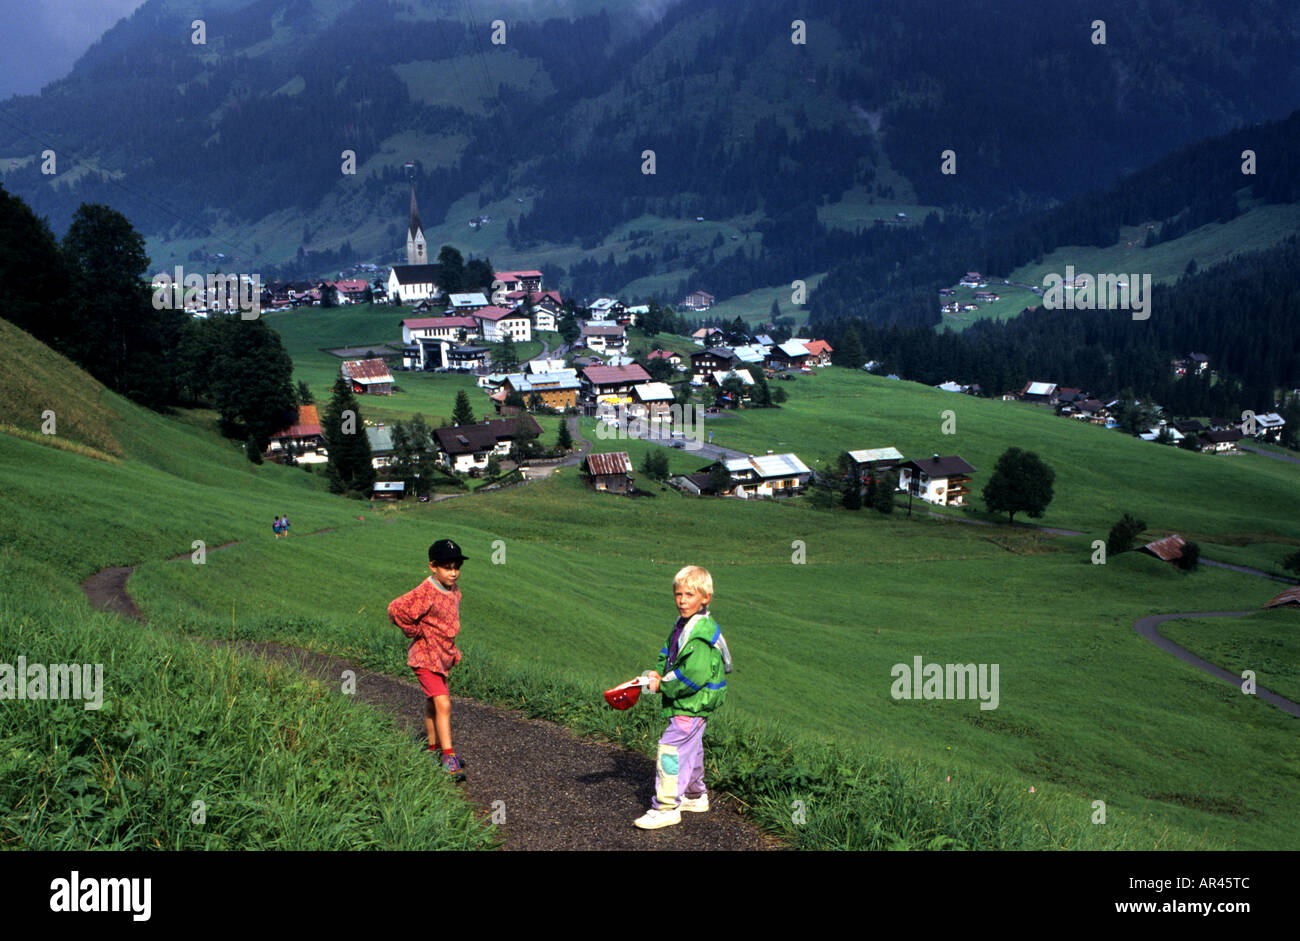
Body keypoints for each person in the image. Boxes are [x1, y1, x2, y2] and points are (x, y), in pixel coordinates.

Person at [634, 565, 731, 830]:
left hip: (691, 704)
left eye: (689, 594)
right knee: (692, 748)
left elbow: (692, 676)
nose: (682, 600)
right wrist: (658, 670)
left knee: (671, 750)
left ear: (705, 598)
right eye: (678, 594)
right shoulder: (683, 625)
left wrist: (662, 685)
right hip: (691, 705)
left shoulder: (698, 636)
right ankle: (694, 795)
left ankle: (666, 807)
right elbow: (669, 651)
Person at [387, 539, 469, 781]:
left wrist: (451, 650)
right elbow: (396, 609)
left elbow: (448, 623)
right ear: (433, 566)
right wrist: (415, 631)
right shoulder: (426, 591)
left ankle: (432, 751)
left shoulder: (454, 590)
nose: (453, 572)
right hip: (424, 656)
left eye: (457, 566)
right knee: (444, 704)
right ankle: (449, 758)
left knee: (434, 705)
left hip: (441, 656)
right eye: (447, 567)